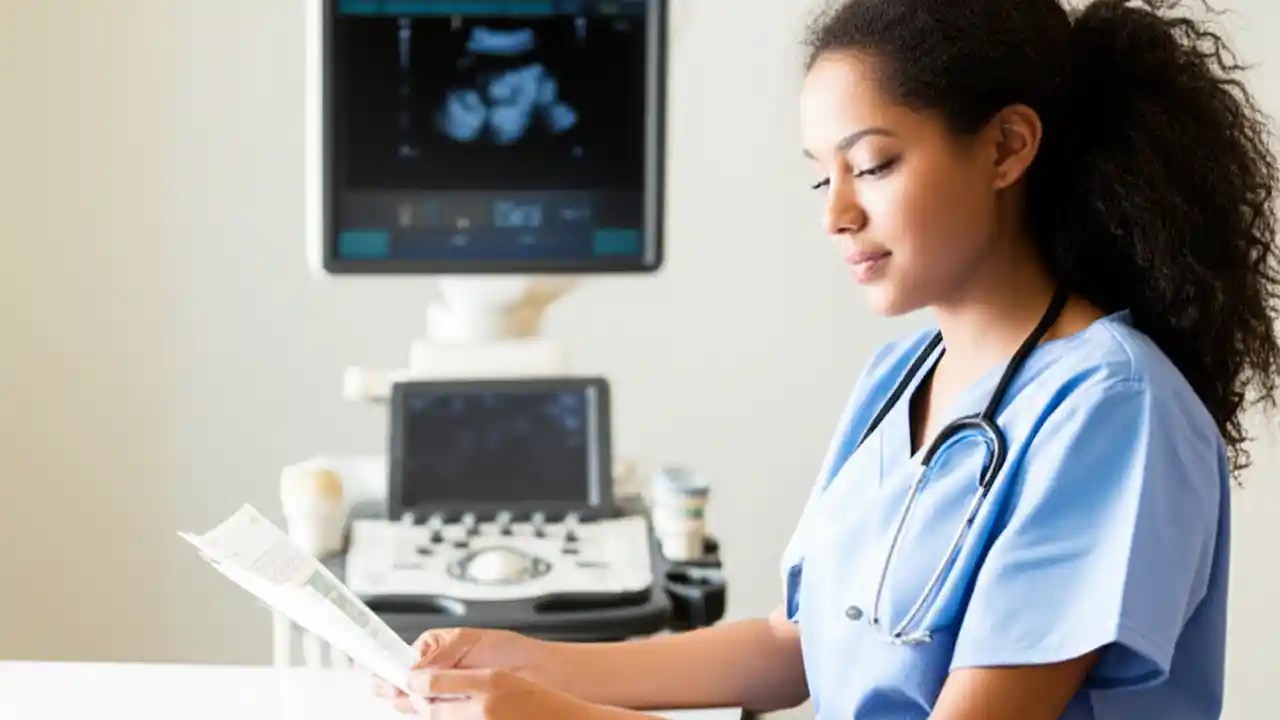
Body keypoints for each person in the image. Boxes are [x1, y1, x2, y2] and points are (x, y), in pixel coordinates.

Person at [372, 0, 1280, 717]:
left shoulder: (1112, 406)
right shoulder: (897, 381)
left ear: (1007, 146)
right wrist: (534, 662)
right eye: (822, 174)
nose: (835, 214)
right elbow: (797, 645)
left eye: (874, 164)